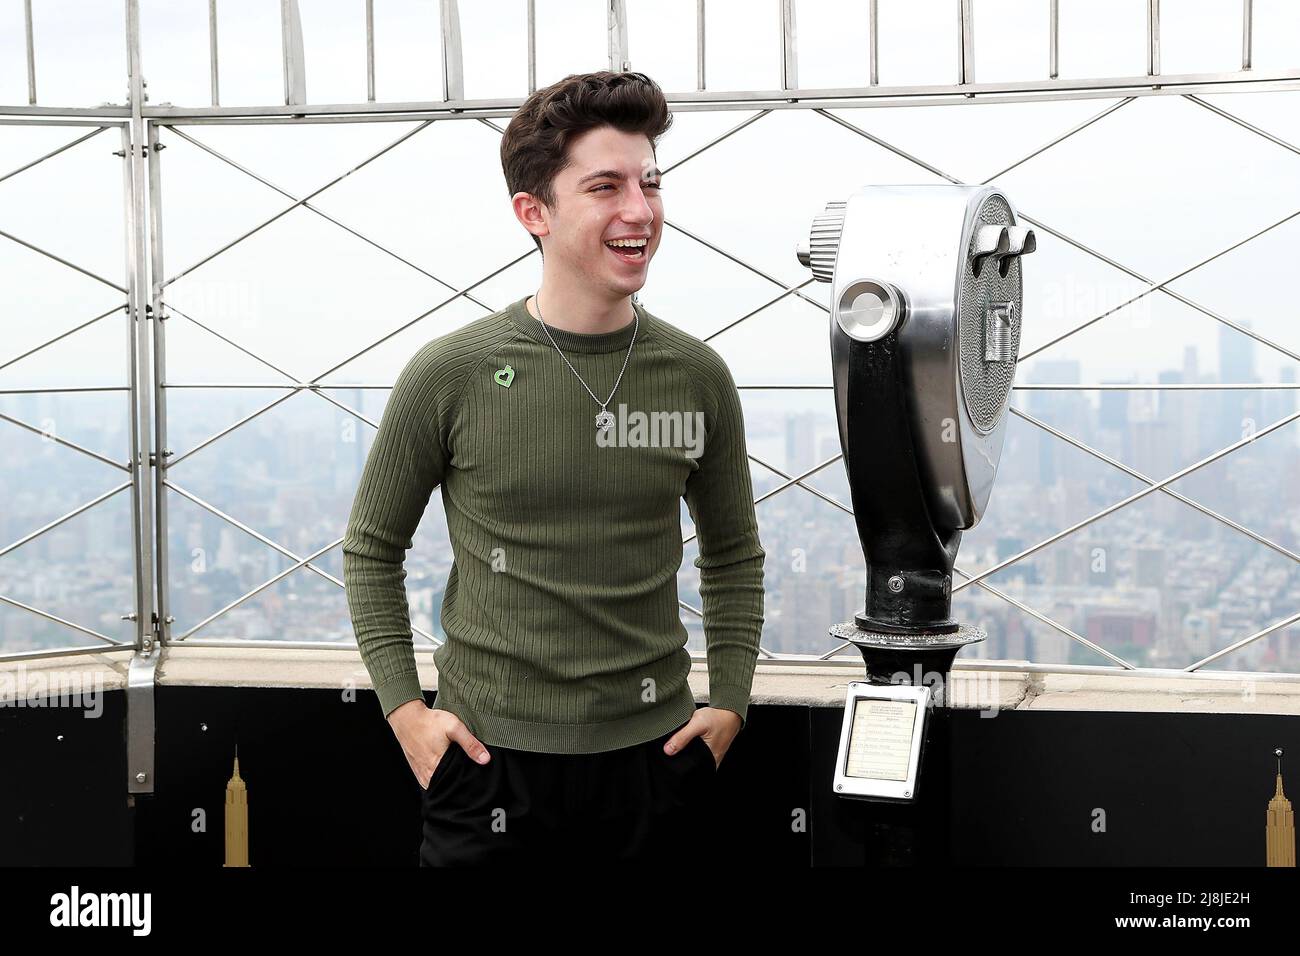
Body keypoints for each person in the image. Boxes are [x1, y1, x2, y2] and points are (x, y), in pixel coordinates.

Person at [342, 70, 765, 865]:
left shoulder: (696, 375)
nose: (639, 210)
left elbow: (734, 553)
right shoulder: (452, 373)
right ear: (533, 212)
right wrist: (405, 711)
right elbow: (371, 550)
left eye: (649, 182)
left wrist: (733, 700)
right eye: (604, 187)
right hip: (485, 768)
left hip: (657, 762)